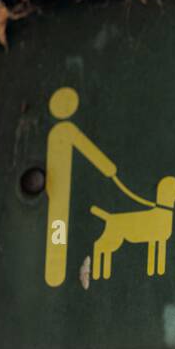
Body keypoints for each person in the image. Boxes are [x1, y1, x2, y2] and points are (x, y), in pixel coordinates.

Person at [44, 87, 117, 287]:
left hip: (59, 188)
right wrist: (108, 168)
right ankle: (55, 270)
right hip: (60, 188)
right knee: (58, 226)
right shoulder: (65, 130)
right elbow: (89, 150)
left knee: (58, 225)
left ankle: (55, 268)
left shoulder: (59, 130)